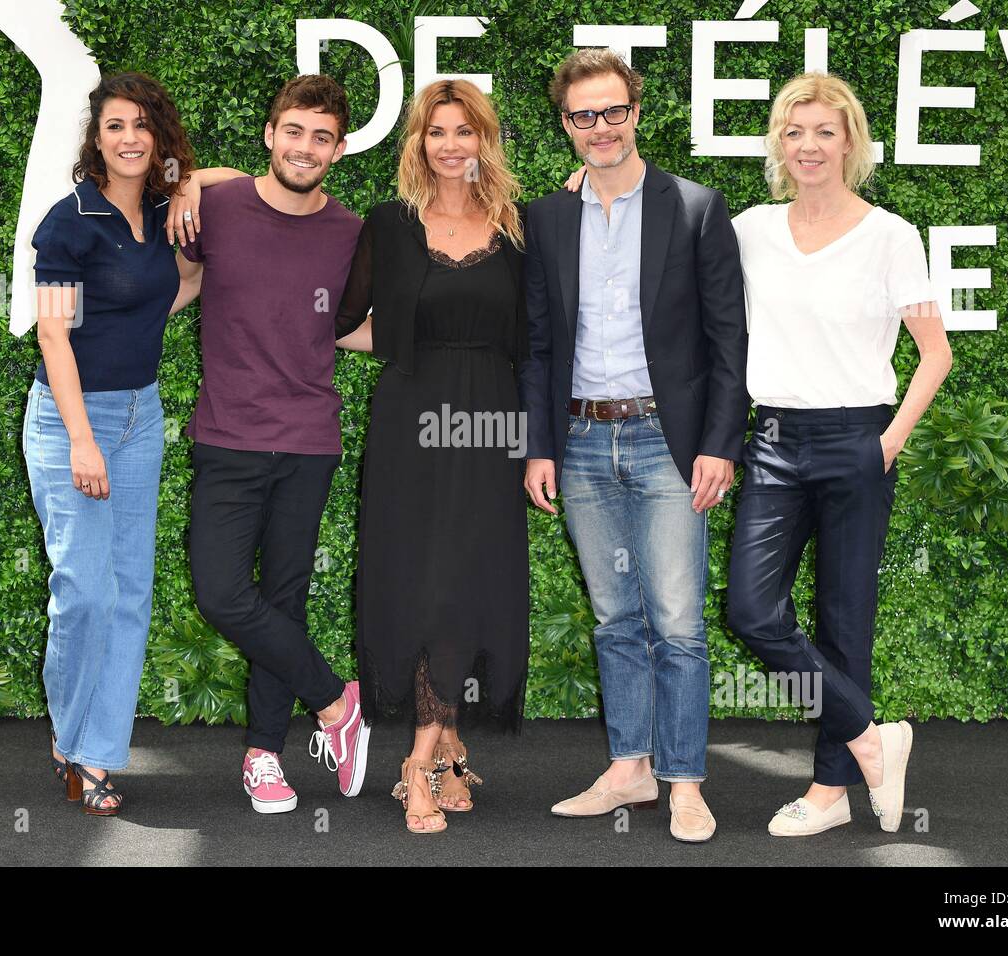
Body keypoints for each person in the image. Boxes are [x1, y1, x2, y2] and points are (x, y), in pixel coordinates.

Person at [521, 49, 749, 843]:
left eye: (613, 111)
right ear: (566, 125)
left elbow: (729, 342)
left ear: (637, 113)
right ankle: (630, 768)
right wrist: (539, 445)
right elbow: (540, 344)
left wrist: (720, 444)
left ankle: (686, 780)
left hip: (667, 443)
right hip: (580, 439)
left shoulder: (694, 207)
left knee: (678, 622)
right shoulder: (547, 218)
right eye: (584, 115)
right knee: (616, 618)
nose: (601, 127)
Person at [725, 72, 952, 836]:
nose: (809, 146)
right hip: (775, 439)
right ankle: (870, 735)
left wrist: (886, 443)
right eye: (794, 132)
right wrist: (592, 186)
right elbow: (673, 259)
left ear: (849, 140)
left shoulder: (890, 235)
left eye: (824, 131)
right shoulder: (752, 227)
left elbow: (935, 355)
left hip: (859, 436)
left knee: (843, 621)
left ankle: (828, 793)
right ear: (778, 145)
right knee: (752, 611)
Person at [167, 75, 373, 814]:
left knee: (283, 601)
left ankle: (264, 757)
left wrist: (443, 348)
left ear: (339, 149)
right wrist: (188, 178)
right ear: (269, 133)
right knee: (221, 592)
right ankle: (333, 703)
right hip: (228, 436)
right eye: (294, 131)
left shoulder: (353, 233)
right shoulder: (215, 205)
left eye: (321, 137)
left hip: (309, 442)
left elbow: (350, 326)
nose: (305, 147)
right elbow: (182, 276)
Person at [333, 79, 531, 835]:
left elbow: (536, 340)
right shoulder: (389, 224)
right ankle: (430, 757)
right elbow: (344, 324)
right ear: (418, 143)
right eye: (435, 132)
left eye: (464, 131)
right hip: (412, 425)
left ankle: (431, 754)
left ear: (485, 139)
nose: (450, 144)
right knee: (424, 584)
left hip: (490, 428)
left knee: (465, 583)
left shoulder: (518, 229)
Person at [27, 72, 201, 815]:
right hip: (73, 420)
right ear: (95, 139)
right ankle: (70, 739)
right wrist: (80, 440)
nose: (129, 139)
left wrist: (189, 187)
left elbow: (184, 283)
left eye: (142, 126)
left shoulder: (164, 211)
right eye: (115, 127)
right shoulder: (69, 223)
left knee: (129, 594)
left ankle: (96, 755)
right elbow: (52, 333)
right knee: (84, 594)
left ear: (158, 137)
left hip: (141, 416)